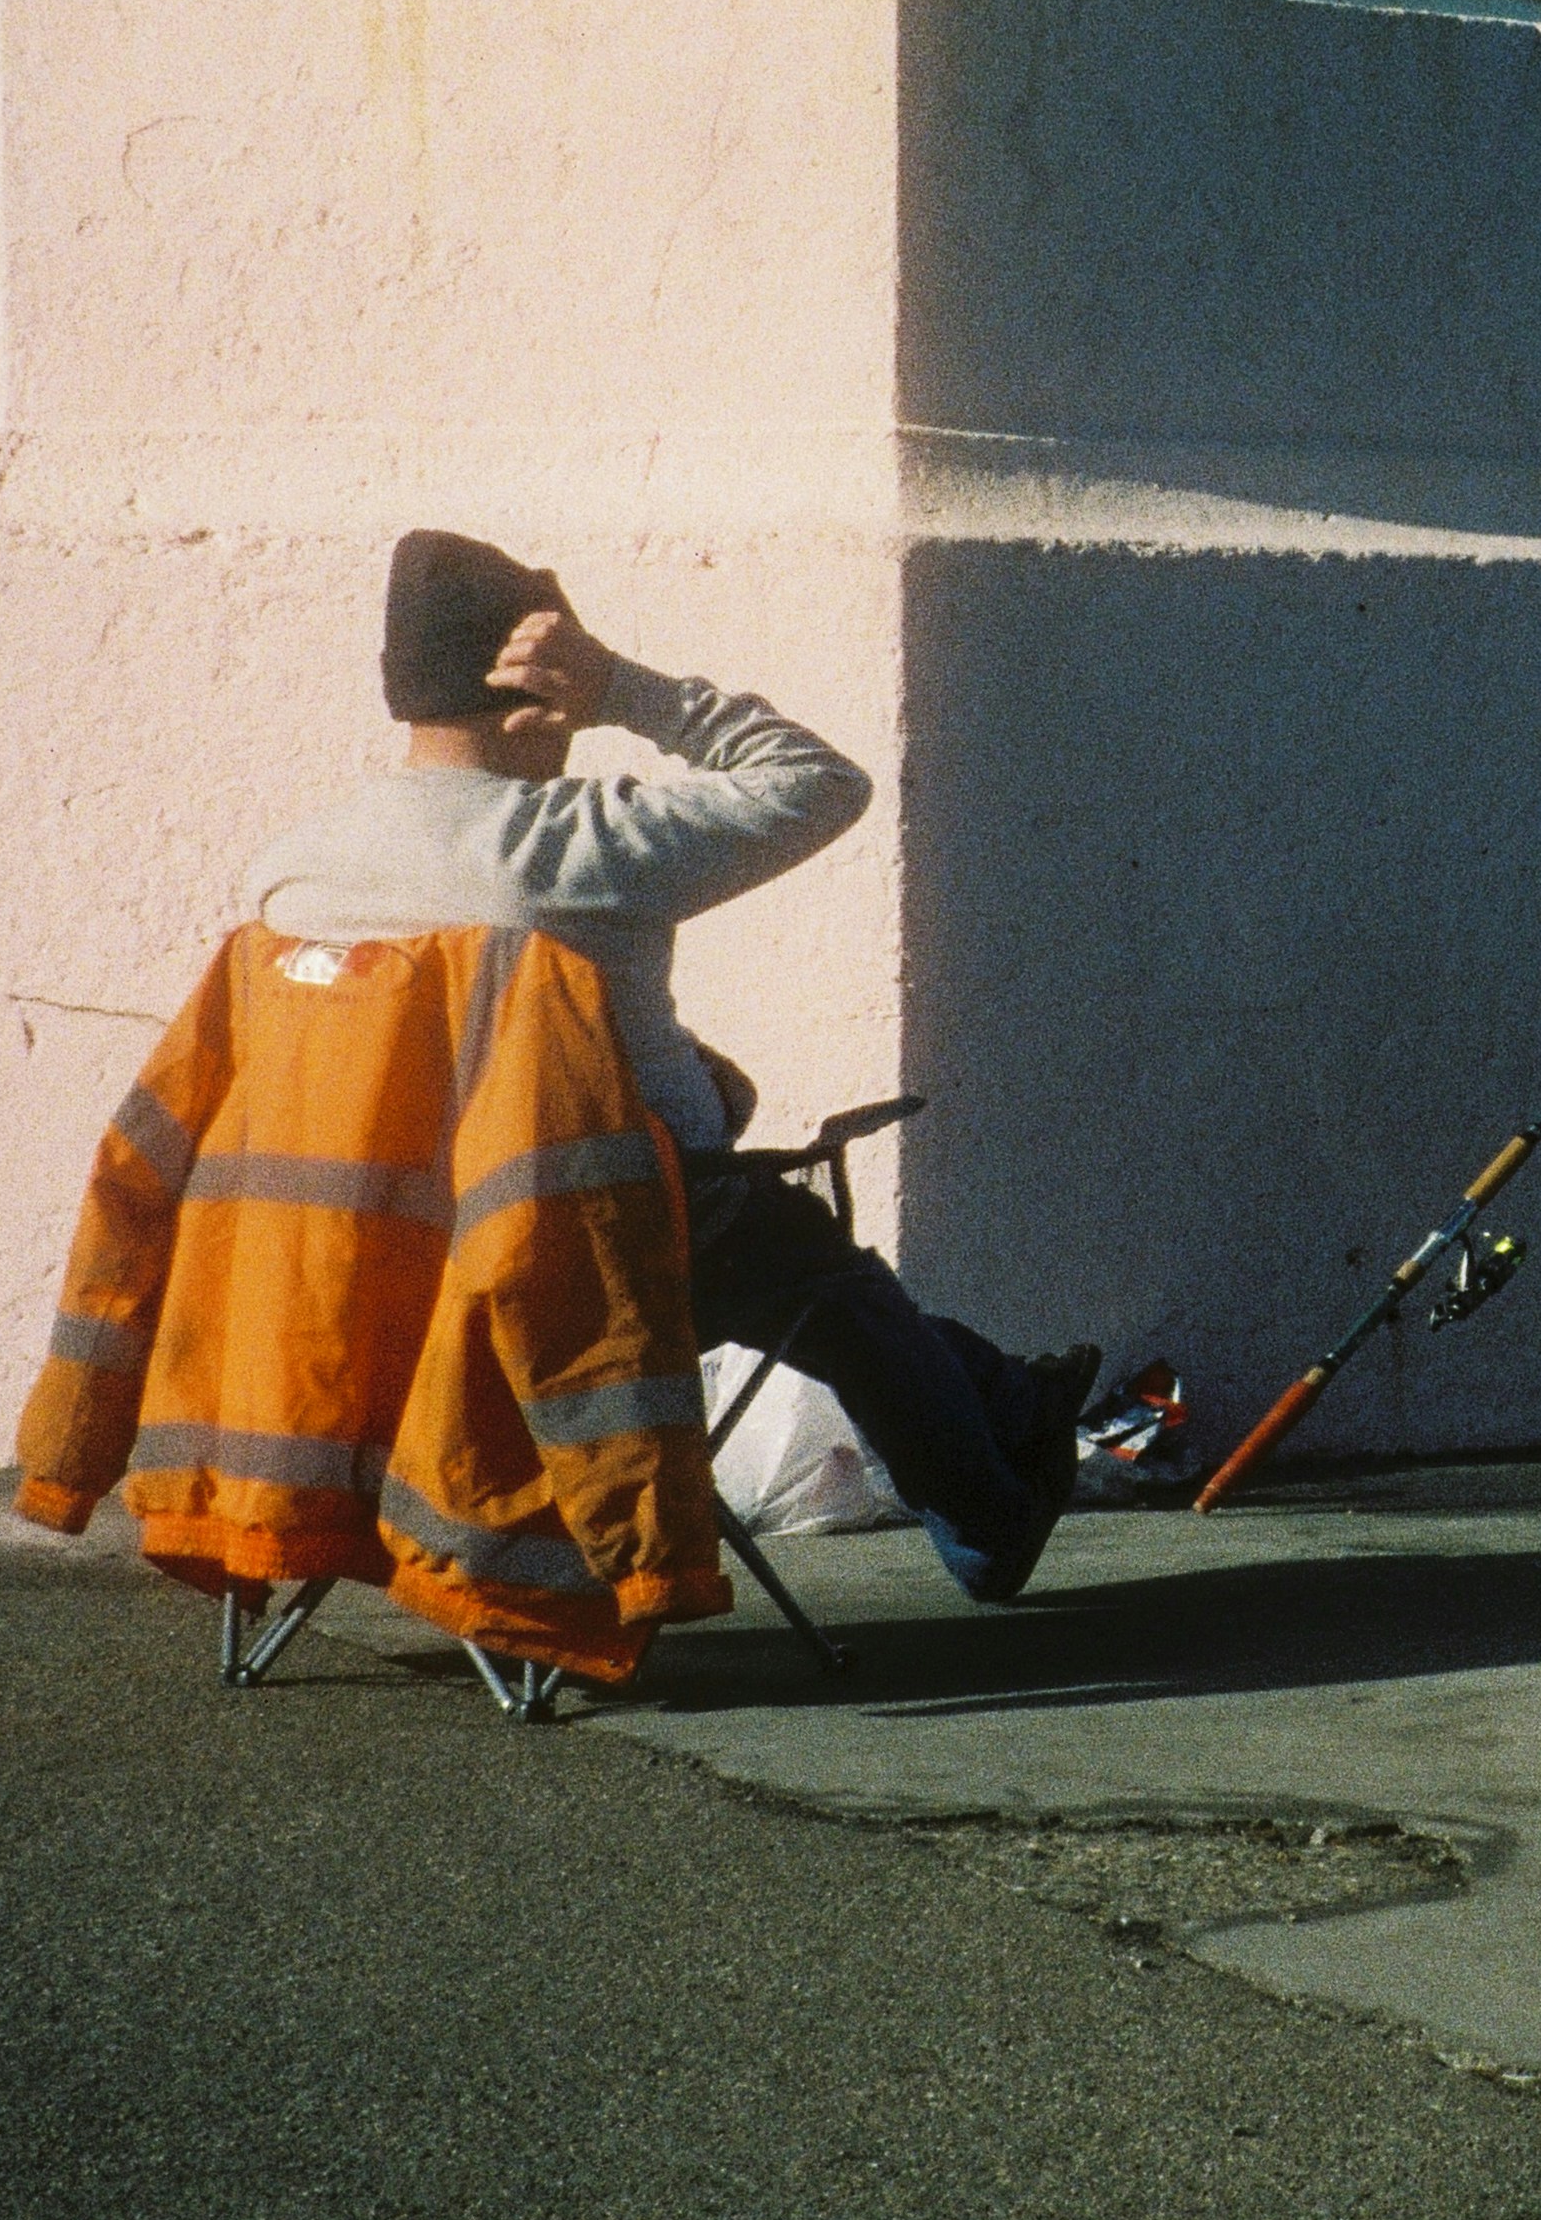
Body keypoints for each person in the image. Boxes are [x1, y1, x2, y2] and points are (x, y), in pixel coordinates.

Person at [241, 529, 1093, 1600]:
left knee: (752, 1208)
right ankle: (990, 1510)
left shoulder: (288, 873)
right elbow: (822, 781)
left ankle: (1012, 1393)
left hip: (368, 1262)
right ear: (536, 704)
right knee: (821, 1273)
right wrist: (623, 688)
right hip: (590, 1252)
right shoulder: (572, 845)